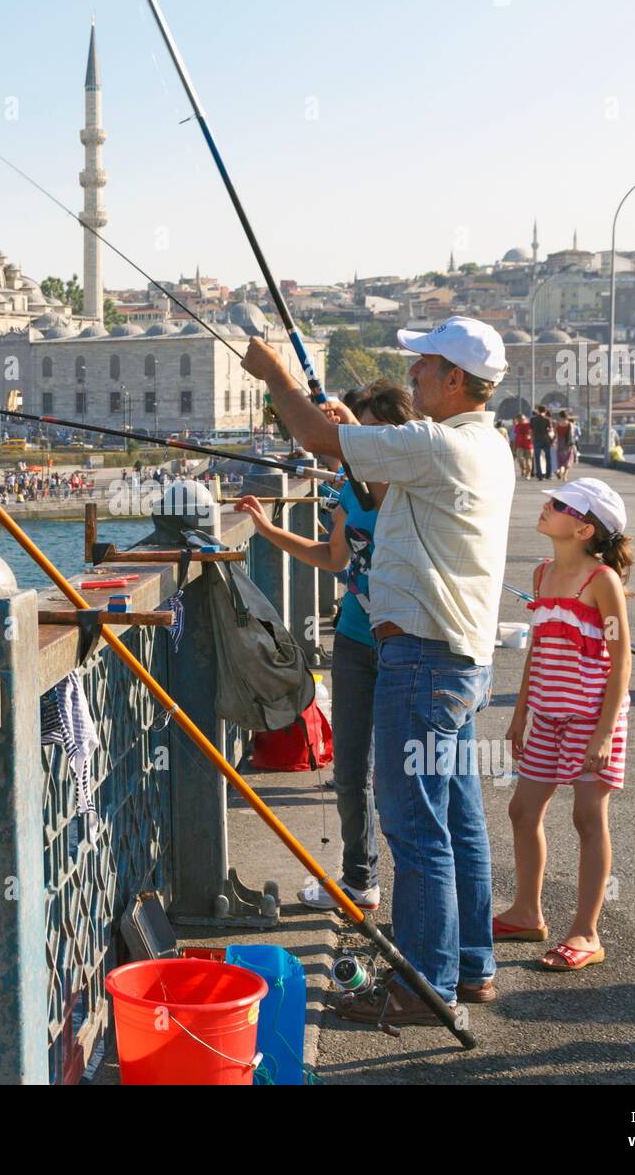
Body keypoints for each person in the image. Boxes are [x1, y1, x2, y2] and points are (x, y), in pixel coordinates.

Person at [243, 314, 513, 1026]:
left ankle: (427, 987)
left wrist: (275, 375)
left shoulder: (437, 444)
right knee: (457, 820)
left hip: (422, 658)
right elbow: (372, 478)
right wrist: (349, 438)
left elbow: (314, 441)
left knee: (414, 826)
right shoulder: (483, 445)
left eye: (424, 365)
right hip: (457, 656)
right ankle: (472, 967)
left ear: (455, 378)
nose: (414, 373)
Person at [233, 380, 418, 914]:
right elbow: (335, 558)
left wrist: (349, 436)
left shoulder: (409, 478)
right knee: (350, 769)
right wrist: (267, 531)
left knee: (405, 770)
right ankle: (360, 878)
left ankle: (419, 890)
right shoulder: (347, 485)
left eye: (367, 431)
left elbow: (384, 479)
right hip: (357, 636)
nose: (353, 444)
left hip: (407, 638)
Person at [496, 478, 633, 972]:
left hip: (592, 717)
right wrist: (520, 712)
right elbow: (538, 648)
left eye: (559, 505)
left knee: (587, 819)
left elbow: (621, 663)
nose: (547, 508)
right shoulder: (541, 574)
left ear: (583, 528)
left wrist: (603, 731)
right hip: (547, 714)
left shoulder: (601, 582)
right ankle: (526, 912)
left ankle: (586, 932)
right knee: (522, 810)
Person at [530, 405, 554, 482]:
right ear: (545, 411)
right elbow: (550, 429)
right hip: (546, 440)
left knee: (537, 458)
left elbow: (531, 431)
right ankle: (548, 474)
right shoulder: (547, 419)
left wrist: (532, 439)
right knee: (548, 458)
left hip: (537, 440)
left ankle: (540, 475)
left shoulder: (533, 419)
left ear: (538, 410)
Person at [553, 410, 575, 480]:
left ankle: (559, 471)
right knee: (568, 458)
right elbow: (571, 434)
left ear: (560, 416)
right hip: (567, 443)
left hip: (560, 442)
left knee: (560, 457)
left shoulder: (557, 424)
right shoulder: (569, 424)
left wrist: (554, 441)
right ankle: (565, 476)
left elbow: (555, 434)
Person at [512, 414, 534, 479]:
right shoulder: (517, 426)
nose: (521, 420)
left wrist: (530, 437)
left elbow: (532, 433)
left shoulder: (529, 425)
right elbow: (516, 435)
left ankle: (528, 475)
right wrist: (514, 445)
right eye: (519, 420)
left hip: (528, 445)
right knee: (519, 458)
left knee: (528, 460)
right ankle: (523, 468)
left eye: (522, 419)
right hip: (520, 445)